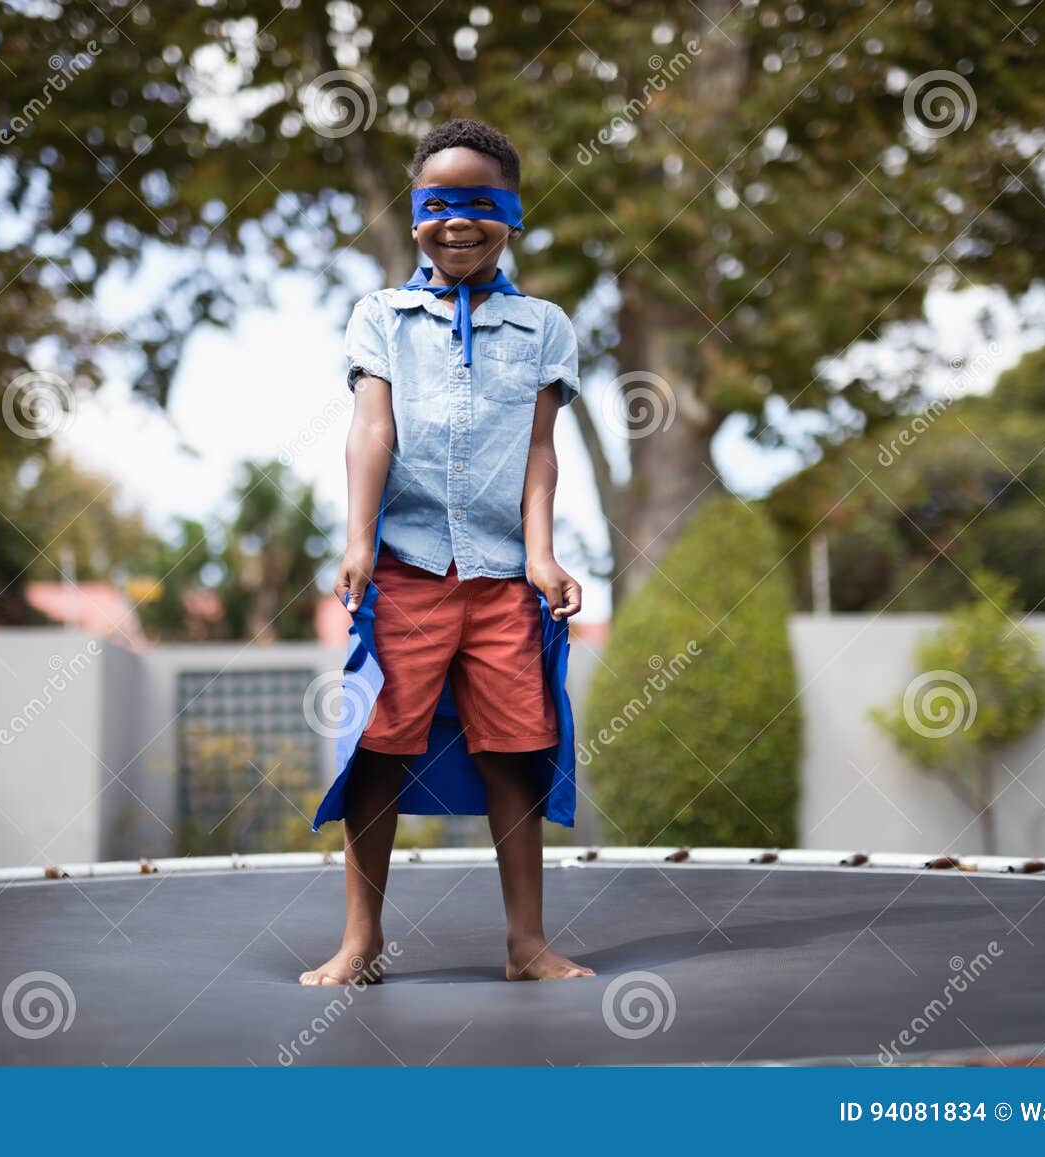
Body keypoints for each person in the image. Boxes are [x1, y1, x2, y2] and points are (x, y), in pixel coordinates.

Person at [302, 118, 594, 985]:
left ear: (510, 213)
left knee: (515, 748)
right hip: (407, 569)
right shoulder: (380, 318)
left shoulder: (543, 327)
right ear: (416, 212)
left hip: (502, 576)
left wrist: (541, 555)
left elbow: (541, 452)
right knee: (378, 747)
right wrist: (358, 542)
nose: (456, 221)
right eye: (438, 204)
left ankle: (527, 942)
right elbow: (371, 427)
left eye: (478, 203)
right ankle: (362, 938)